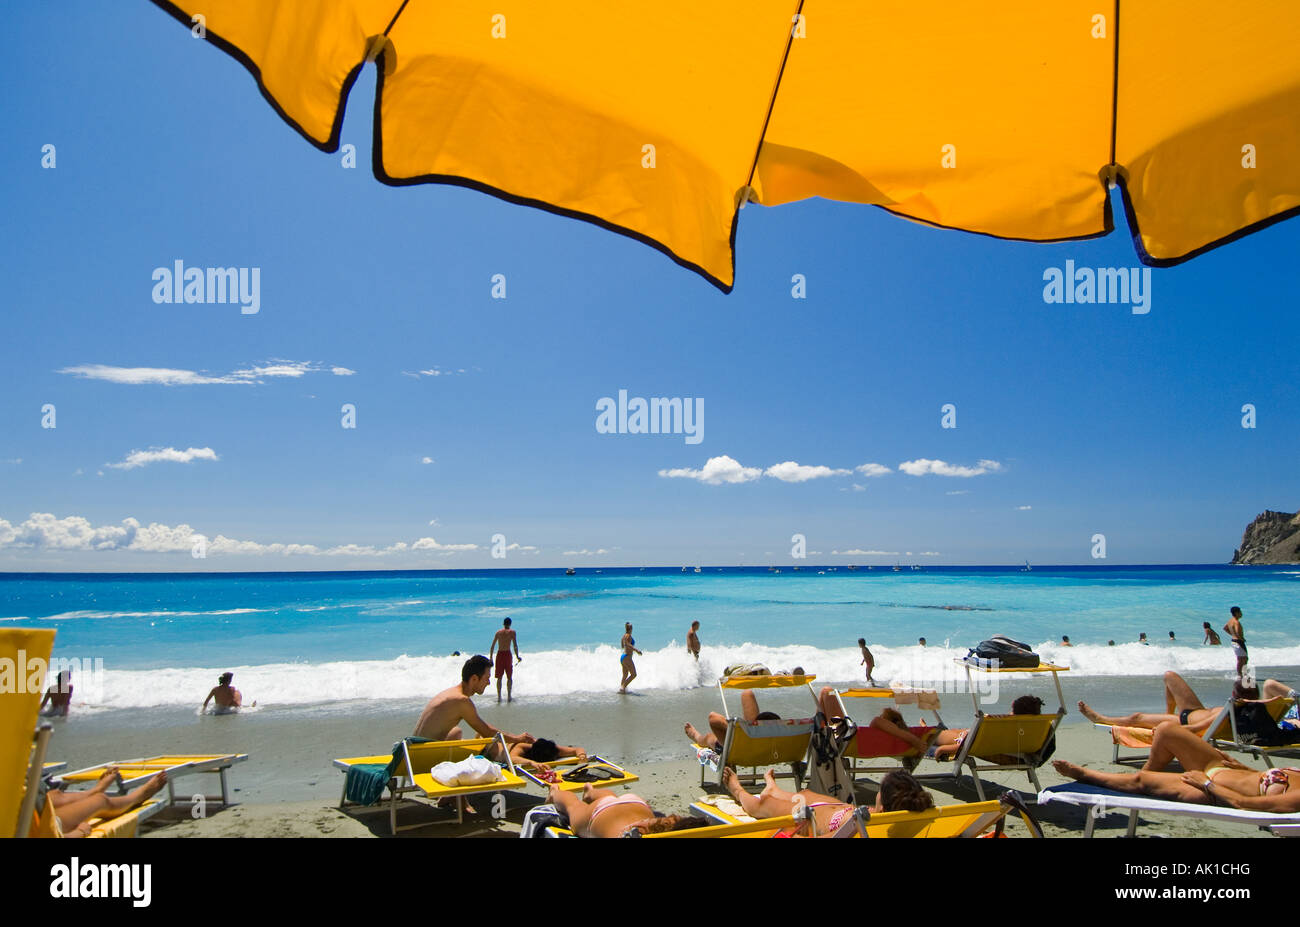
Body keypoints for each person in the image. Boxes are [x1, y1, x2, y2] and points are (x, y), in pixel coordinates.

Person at [1053, 722, 1300, 812]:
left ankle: (1085, 774)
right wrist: (1243, 768)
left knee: (1143, 782)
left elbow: (1242, 804)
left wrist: (1207, 784)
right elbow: (1258, 781)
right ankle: (1148, 775)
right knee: (1166, 730)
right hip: (1225, 769)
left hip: (1214, 789)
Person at [721, 766, 932, 834]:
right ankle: (772, 788)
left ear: (883, 805)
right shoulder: (914, 819)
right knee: (804, 795)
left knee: (763, 805)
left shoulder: (861, 827)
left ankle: (737, 789)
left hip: (809, 820)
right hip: (822, 807)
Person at [1076, 671, 1269, 734]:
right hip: (1195, 710)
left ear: (1236, 694)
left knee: (1137, 718)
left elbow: (1196, 731)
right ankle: (1168, 711)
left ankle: (1101, 718)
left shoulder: (1229, 712)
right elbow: (1273, 690)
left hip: (1186, 722)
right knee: (1170, 676)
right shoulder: (1257, 709)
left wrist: (1163, 729)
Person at [414, 655, 536, 750]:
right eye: (487, 678)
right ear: (474, 679)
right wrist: (517, 738)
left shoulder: (450, 693)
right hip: (422, 758)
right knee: (488, 747)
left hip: (411, 751)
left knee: (456, 731)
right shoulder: (462, 700)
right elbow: (487, 732)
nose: (488, 683)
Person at [41, 767, 169, 838]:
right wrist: (79, 833)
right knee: (100, 801)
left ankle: (94, 791)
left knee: (54, 796)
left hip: (32, 818)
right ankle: (137, 797)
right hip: (42, 830)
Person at [548, 783, 707, 837]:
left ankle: (591, 791)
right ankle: (555, 792)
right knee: (572, 807)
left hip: (635, 803)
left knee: (610, 798)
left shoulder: (680, 824)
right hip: (601, 814)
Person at [685, 690, 780, 751]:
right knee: (747, 693)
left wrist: (739, 729)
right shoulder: (784, 740)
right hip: (757, 742)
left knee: (709, 738)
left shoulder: (741, 747)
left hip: (739, 748)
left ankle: (696, 736)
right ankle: (748, 729)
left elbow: (712, 717)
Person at [489, 617, 521, 703]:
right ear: (510, 624)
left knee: (499, 677)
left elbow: (492, 647)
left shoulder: (498, 633)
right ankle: (509, 696)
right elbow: (515, 646)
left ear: (503, 623)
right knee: (509, 677)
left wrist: (491, 658)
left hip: (499, 655)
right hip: (507, 655)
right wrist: (517, 656)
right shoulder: (512, 632)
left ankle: (499, 697)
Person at [619, 623, 642, 693]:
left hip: (623, 657)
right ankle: (623, 687)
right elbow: (627, 644)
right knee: (634, 674)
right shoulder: (628, 636)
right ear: (631, 628)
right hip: (627, 657)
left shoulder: (623, 636)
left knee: (625, 675)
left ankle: (622, 690)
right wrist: (636, 650)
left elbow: (622, 645)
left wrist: (627, 645)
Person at [1225, 606, 1247, 675]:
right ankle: (1241, 674)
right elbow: (1237, 632)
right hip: (1238, 642)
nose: (1241, 613)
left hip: (1233, 641)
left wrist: (1232, 635)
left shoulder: (1230, 620)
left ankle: (1240, 674)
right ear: (1237, 613)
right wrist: (1241, 638)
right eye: (1240, 612)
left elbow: (1225, 628)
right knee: (1243, 659)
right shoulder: (1236, 622)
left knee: (1241, 659)